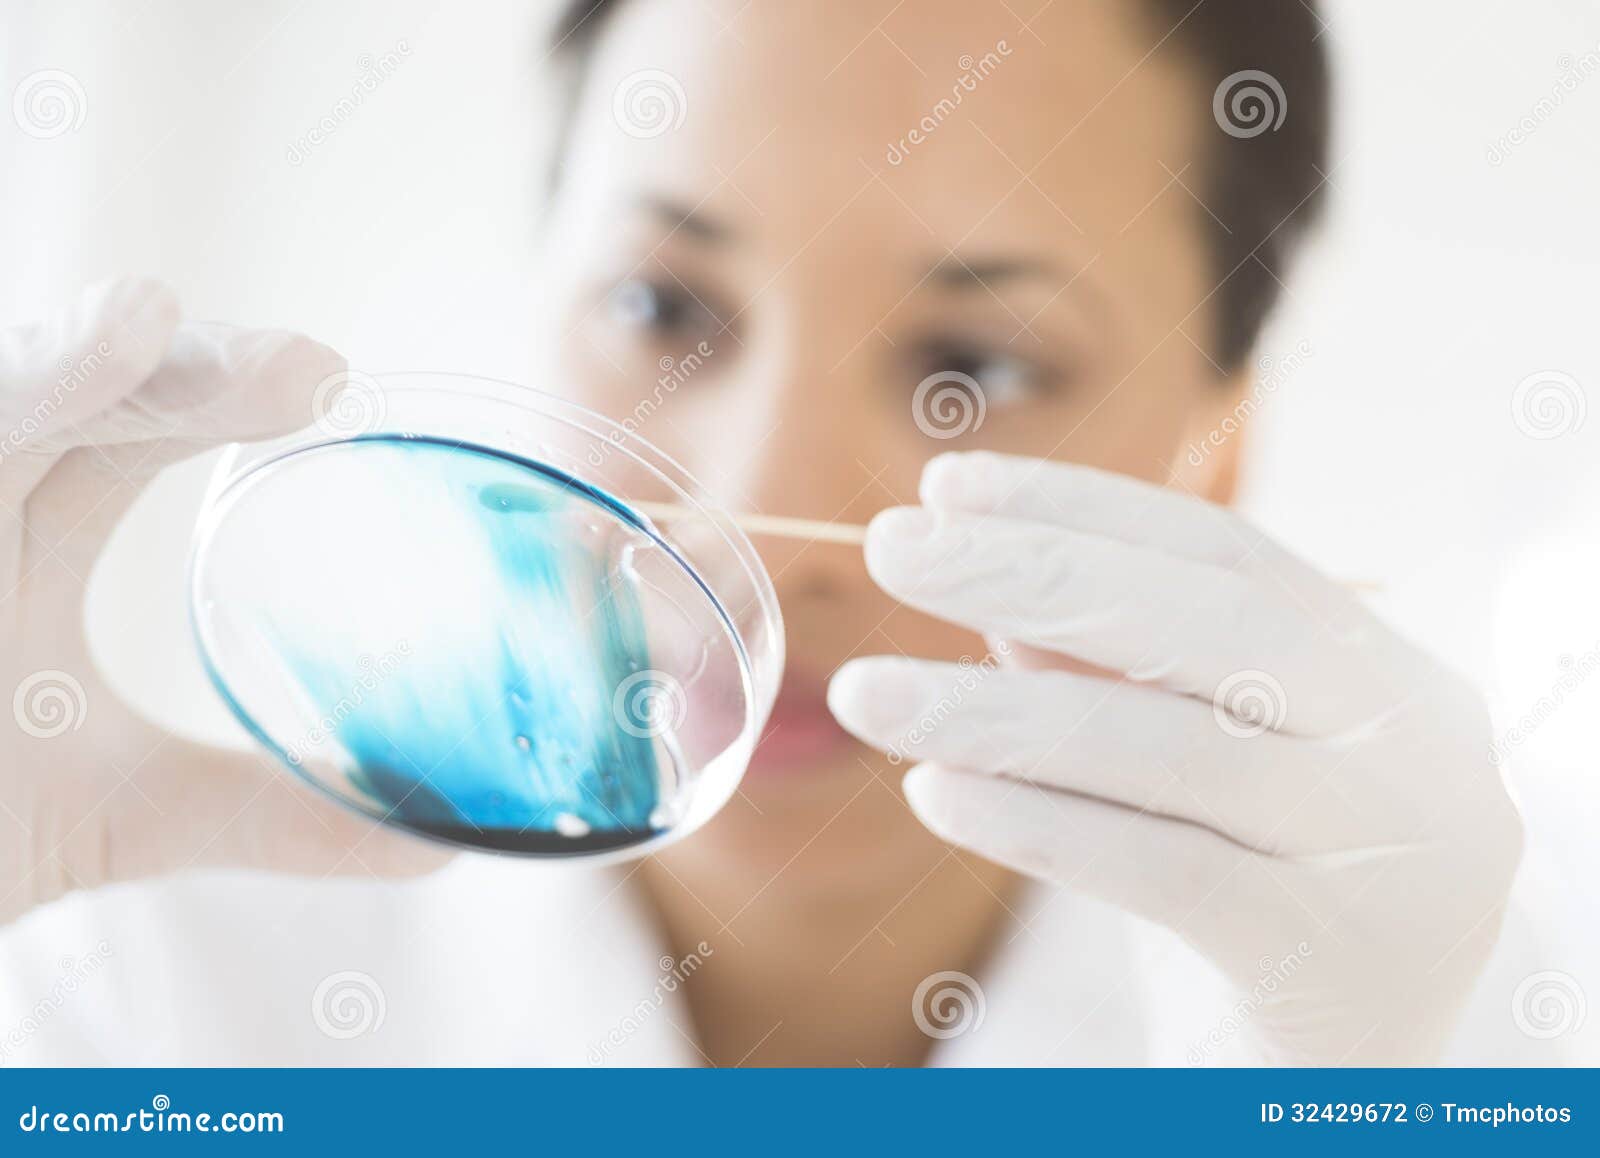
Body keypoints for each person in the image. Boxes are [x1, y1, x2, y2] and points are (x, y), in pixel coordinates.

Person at [0, 0, 1532, 1065]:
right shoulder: (135, 999)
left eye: (973, 368)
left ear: (1220, 452)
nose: (755, 528)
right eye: (663, 309)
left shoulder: (1427, 1031)